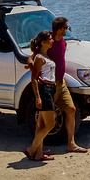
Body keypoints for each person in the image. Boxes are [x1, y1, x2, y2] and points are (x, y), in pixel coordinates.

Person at [50, 16, 88, 153]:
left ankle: (71, 144)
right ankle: (36, 148)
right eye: (66, 27)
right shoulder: (49, 42)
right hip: (51, 84)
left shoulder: (62, 41)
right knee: (46, 117)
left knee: (71, 109)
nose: (67, 30)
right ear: (60, 29)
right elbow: (36, 55)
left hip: (61, 83)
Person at [24, 31, 56, 162]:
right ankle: (32, 149)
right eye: (50, 39)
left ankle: (38, 154)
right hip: (45, 91)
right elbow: (34, 78)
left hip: (50, 89)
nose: (52, 41)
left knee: (41, 125)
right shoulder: (40, 58)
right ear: (43, 42)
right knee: (50, 124)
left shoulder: (45, 56)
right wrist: (38, 97)